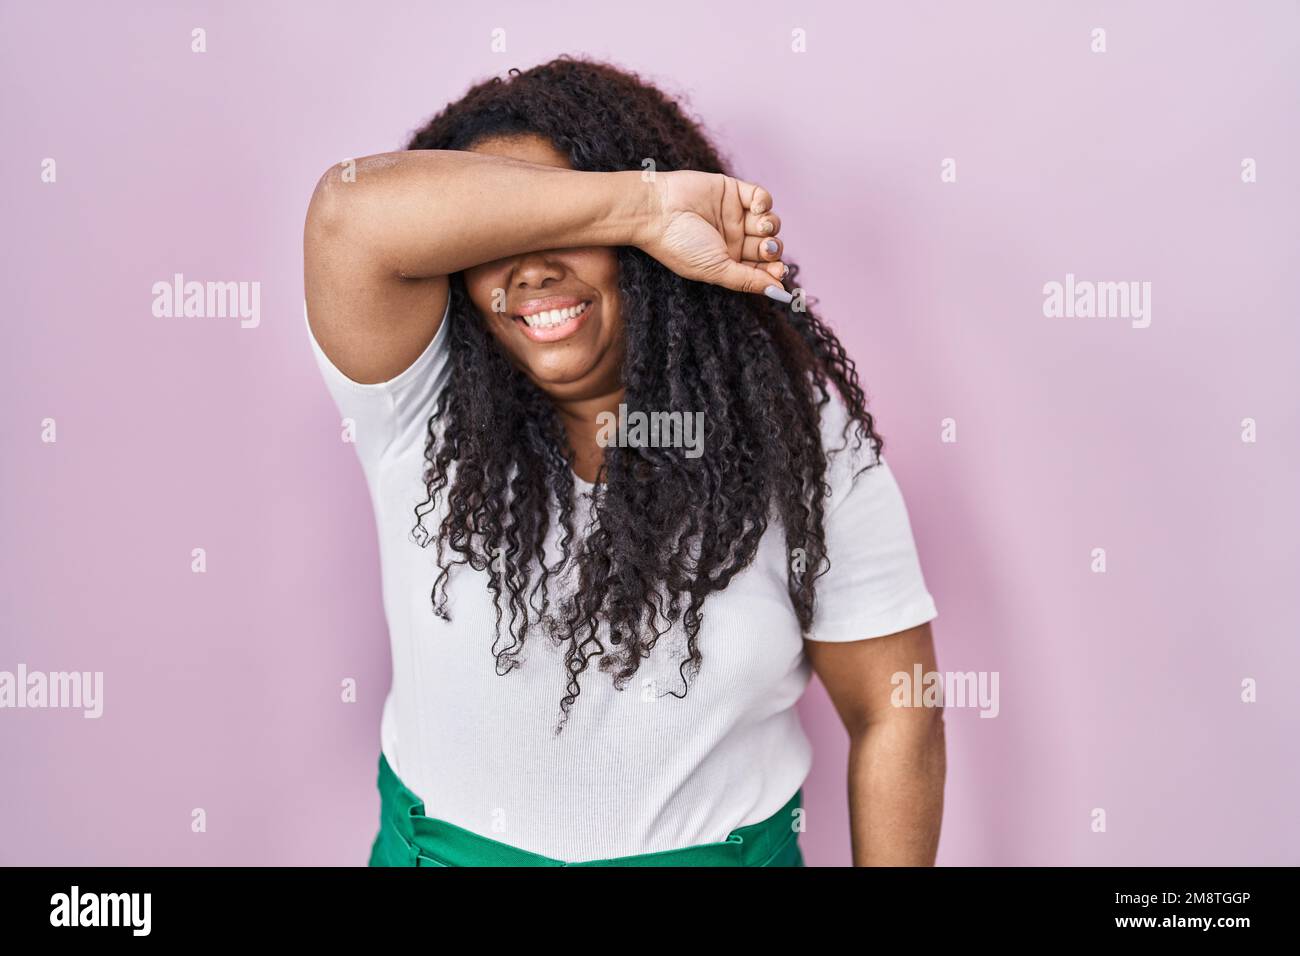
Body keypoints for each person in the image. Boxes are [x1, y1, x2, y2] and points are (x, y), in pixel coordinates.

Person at [303, 57, 943, 867]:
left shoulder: (796, 435)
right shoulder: (419, 407)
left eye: (572, 226)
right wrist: (643, 203)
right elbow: (346, 212)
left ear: (645, 255)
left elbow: (897, 709)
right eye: (498, 235)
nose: (532, 268)